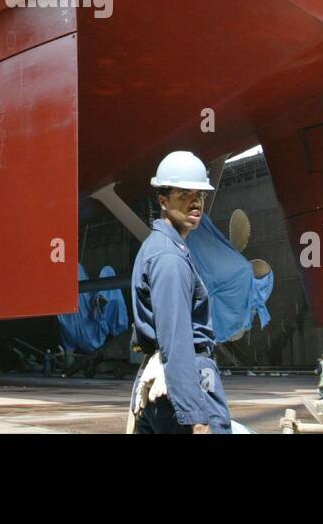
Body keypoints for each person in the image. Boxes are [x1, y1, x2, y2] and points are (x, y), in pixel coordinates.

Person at [128, 151, 232, 434]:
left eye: (200, 195)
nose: (196, 202)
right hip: (186, 384)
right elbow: (176, 339)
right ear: (163, 200)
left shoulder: (162, 248)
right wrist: (195, 416)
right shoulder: (169, 259)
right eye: (184, 194)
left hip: (164, 382)